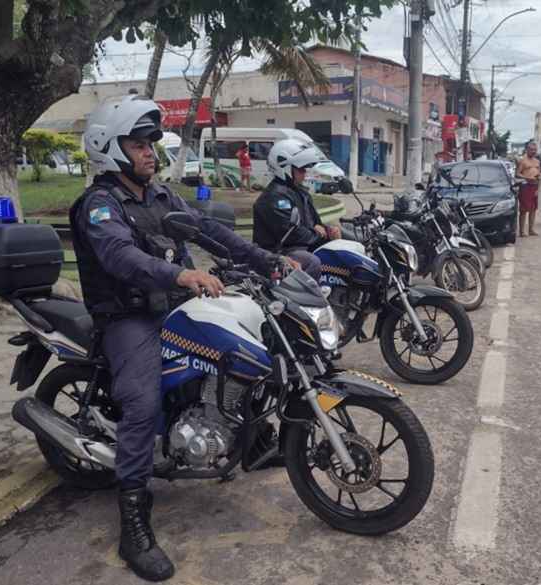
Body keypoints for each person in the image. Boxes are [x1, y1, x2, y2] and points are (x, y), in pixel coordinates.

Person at [70, 95, 298, 582]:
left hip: (173, 306)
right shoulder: (100, 205)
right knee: (141, 402)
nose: (150, 151)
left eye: (151, 142)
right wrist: (179, 277)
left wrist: (267, 261)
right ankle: (134, 525)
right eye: (138, 143)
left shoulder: (161, 196)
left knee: (245, 347)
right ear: (110, 148)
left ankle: (252, 439)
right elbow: (119, 258)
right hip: (128, 318)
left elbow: (212, 232)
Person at [252, 139, 339, 278]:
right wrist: (319, 234)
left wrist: (329, 231)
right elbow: (291, 233)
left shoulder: (299, 192)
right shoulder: (274, 197)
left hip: (300, 245)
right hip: (278, 252)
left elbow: (315, 223)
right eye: (300, 169)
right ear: (284, 167)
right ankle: (305, 298)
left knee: (344, 247)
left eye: (305, 168)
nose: (304, 173)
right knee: (312, 262)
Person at [516, 141, 541, 237]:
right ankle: (522, 231)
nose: (533, 151)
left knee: (533, 209)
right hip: (525, 186)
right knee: (523, 210)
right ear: (527, 150)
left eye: (535, 150)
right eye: (531, 149)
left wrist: (538, 189)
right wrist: (527, 178)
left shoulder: (537, 161)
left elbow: (539, 173)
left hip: (534, 186)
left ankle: (531, 229)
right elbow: (517, 174)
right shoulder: (522, 160)